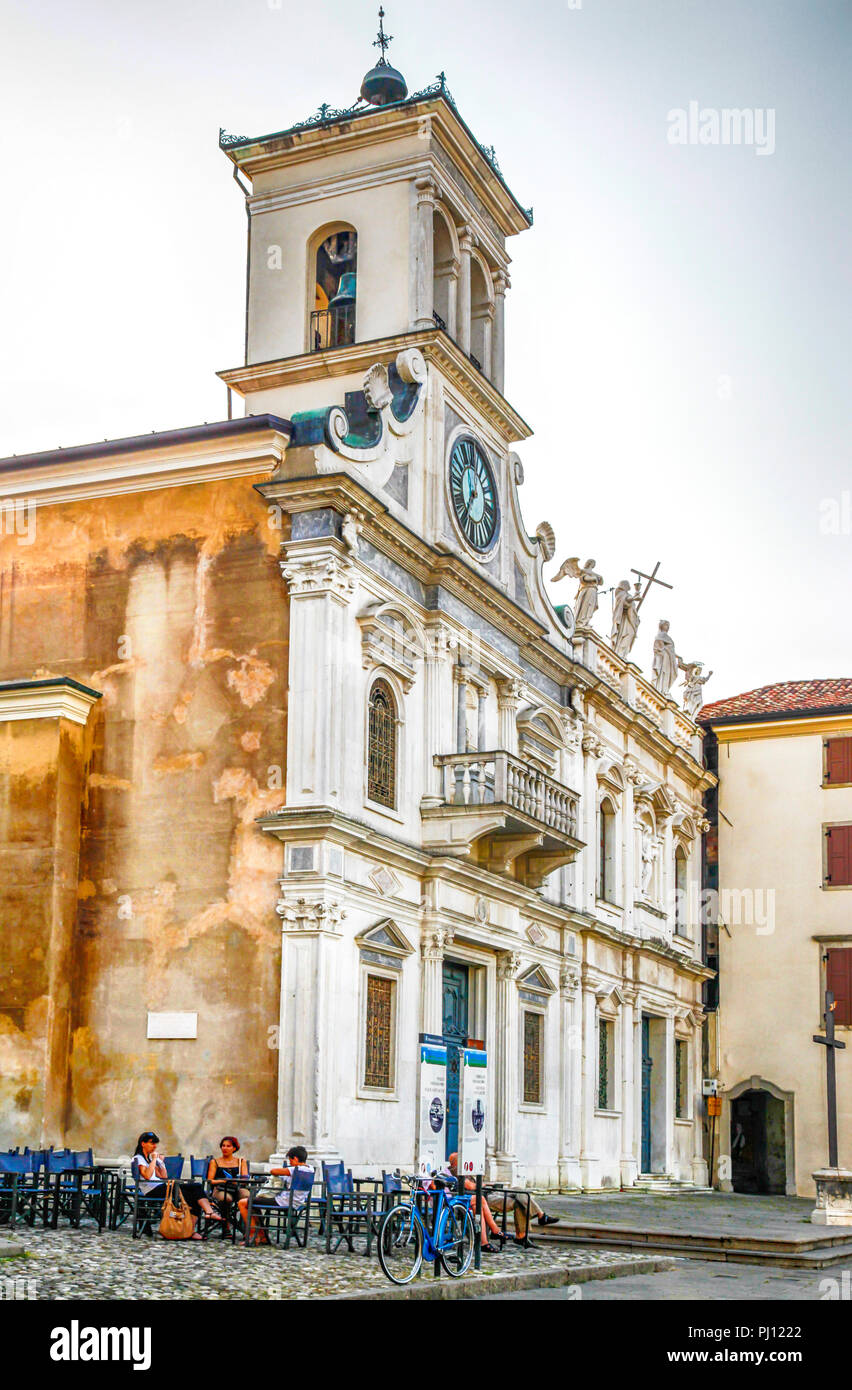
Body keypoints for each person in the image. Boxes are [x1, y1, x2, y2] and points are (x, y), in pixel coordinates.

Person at [131, 1131, 222, 1240]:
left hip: (161, 1186)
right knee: (194, 1190)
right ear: (143, 1144)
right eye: (152, 1143)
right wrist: (154, 1159)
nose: (154, 1146)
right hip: (152, 1190)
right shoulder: (138, 1158)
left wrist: (160, 1162)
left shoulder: (149, 1159)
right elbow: (147, 1175)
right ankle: (202, 1220)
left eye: (155, 1143)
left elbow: (163, 1176)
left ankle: (199, 1221)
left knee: (195, 1191)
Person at [238, 1145, 314, 1247]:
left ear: (295, 1158)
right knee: (254, 1203)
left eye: (290, 1160)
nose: (290, 1163)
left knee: (243, 1203)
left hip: (283, 1201)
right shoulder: (310, 1169)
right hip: (296, 1202)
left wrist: (286, 1170)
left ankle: (253, 1235)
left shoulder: (295, 1169)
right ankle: (262, 1235)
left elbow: (273, 1171)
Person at [435, 1152, 504, 1253]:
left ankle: (484, 1242)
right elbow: (471, 1186)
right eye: (461, 1161)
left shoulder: (458, 1171)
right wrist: (482, 1184)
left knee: (478, 1206)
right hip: (451, 1201)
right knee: (480, 1200)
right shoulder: (455, 1171)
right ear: (455, 1163)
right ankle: (495, 1231)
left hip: (457, 1200)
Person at [207, 1136, 250, 1221]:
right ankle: (225, 1225)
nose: (225, 1148)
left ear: (234, 1148)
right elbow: (210, 1180)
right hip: (220, 1189)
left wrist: (237, 1182)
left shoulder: (241, 1162)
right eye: (223, 1146)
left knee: (247, 1196)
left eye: (228, 1146)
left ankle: (247, 1225)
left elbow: (245, 1180)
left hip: (237, 1188)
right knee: (226, 1198)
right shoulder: (215, 1162)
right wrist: (223, 1181)